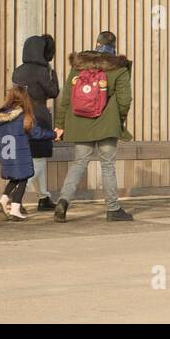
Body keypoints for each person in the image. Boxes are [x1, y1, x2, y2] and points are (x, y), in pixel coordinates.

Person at [53, 30, 133, 222]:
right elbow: (124, 100)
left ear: (96, 43)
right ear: (114, 47)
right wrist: (118, 120)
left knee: (78, 164)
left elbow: (66, 98)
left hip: (80, 122)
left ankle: (63, 201)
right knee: (107, 166)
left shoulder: (79, 66)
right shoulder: (118, 68)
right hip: (107, 124)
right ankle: (113, 209)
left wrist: (60, 124)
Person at [0, 85, 55, 221]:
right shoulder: (23, 116)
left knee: (15, 178)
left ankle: (3, 200)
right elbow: (36, 133)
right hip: (20, 154)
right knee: (24, 178)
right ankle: (15, 210)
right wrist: (54, 134)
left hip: (6, 154)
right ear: (25, 99)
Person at [11, 34, 59, 211]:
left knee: (33, 156)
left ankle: (43, 197)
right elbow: (53, 92)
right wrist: (52, 73)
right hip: (39, 115)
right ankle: (13, 196)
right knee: (39, 158)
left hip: (20, 114)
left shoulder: (18, 70)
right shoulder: (41, 71)